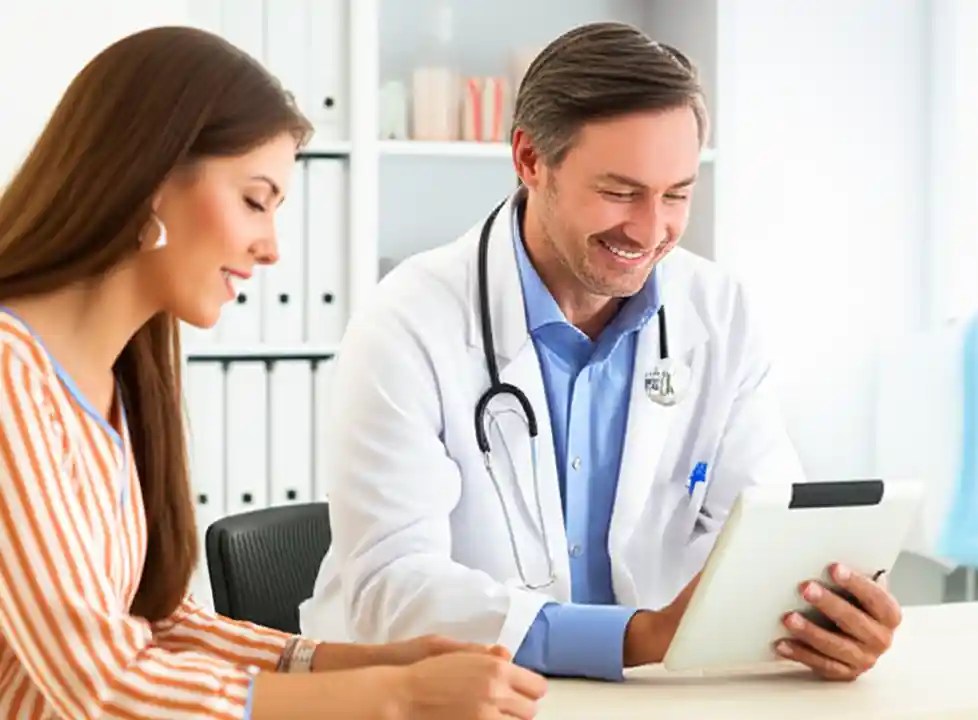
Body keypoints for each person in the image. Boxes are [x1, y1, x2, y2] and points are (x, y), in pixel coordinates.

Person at [299, 21, 903, 683]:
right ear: (531, 160)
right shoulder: (407, 321)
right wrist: (633, 638)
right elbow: (394, 589)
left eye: (676, 194)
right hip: (440, 694)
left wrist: (824, 619)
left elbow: (773, 528)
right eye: (620, 192)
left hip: (649, 694)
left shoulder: (716, 311)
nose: (651, 231)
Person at [0, 26, 546, 720]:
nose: (270, 249)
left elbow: (155, 625)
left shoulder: (112, 383)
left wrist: (353, 659)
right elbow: (102, 683)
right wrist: (394, 695)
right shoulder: (10, 377)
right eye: (255, 200)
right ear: (152, 178)